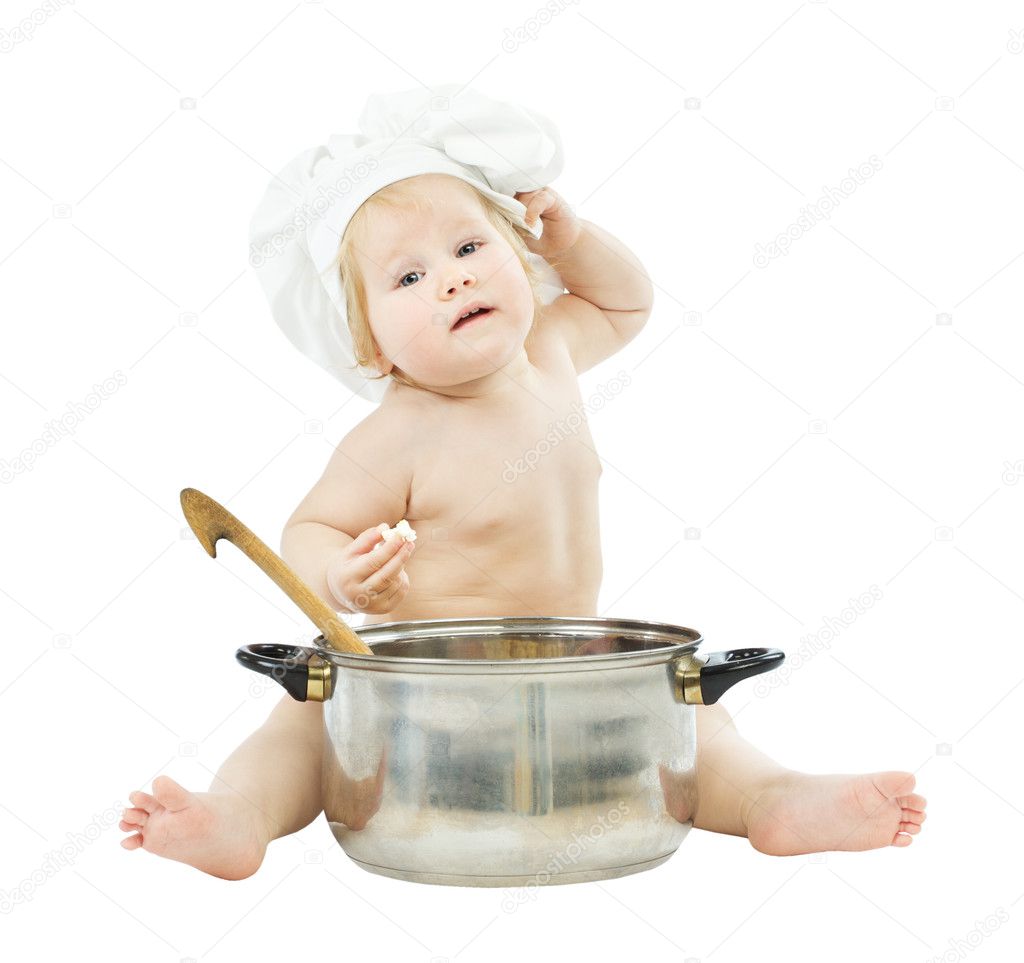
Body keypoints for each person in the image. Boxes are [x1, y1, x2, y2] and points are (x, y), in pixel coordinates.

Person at [119, 85, 927, 879]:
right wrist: (341, 574)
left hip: (567, 688)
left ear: (516, 251)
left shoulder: (549, 352)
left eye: (471, 247)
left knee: (694, 719)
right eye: (408, 279)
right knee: (302, 720)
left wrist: (570, 241)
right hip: (418, 705)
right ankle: (240, 816)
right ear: (369, 348)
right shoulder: (399, 431)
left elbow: (627, 301)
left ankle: (771, 801)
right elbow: (309, 529)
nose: (453, 279)